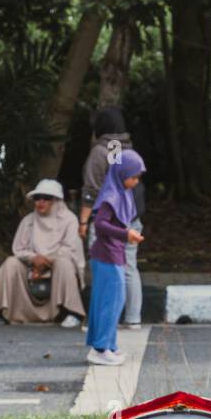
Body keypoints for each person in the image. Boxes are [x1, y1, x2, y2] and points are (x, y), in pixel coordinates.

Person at [0, 180, 85, 327]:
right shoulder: (28, 220)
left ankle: (71, 312)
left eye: (46, 198)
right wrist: (33, 259)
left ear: (57, 201)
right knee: (11, 263)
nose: (41, 202)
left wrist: (46, 261)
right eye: (38, 198)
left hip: (58, 265)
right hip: (31, 265)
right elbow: (19, 249)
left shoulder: (70, 220)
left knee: (64, 263)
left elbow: (70, 248)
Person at [79, 106, 145, 328]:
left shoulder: (100, 151)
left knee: (102, 268)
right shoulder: (127, 149)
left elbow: (91, 190)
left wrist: (83, 221)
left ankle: (103, 319)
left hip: (107, 220)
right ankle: (133, 318)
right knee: (129, 268)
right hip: (130, 217)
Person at [85, 151, 145, 366]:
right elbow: (100, 224)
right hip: (106, 255)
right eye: (134, 176)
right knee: (109, 302)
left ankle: (108, 345)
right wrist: (126, 234)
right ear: (121, 173)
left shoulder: (121, 193)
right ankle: (100, 348)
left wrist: (126, 234)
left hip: (114, 253)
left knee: (114, 300)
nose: (136, 182)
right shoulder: (111, 196)